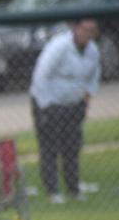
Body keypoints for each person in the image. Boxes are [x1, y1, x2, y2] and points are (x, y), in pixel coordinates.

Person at [29, 19, 101, 204]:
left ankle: (73, 187)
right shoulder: (59, 46)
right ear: (75, 28)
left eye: (92, 30)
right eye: (85, 29)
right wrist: (46, 105)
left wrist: (87, 95)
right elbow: (41, 75)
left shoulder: (92, 50)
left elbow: (94, 74)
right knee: (50, 147)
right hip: (49, 102)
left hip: (74, 104)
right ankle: (52, 189)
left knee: (72, 146)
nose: (88, 34)